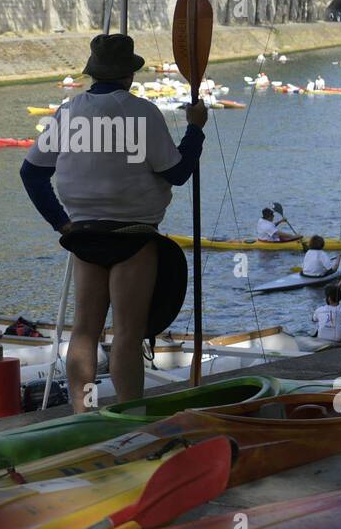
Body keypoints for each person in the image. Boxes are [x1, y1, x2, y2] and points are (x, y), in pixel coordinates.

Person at [21, 33, 206, 409]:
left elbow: (32, 173)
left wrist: (61, 223)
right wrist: (195, 128)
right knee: (127, 333)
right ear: (129, 75)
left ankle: (83, 411)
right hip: (133, 236)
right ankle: (128, 412)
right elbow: (177, 172)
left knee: (85, 331)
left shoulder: (67, 111)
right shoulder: (143, 112)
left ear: (94, 73)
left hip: (84, 235)